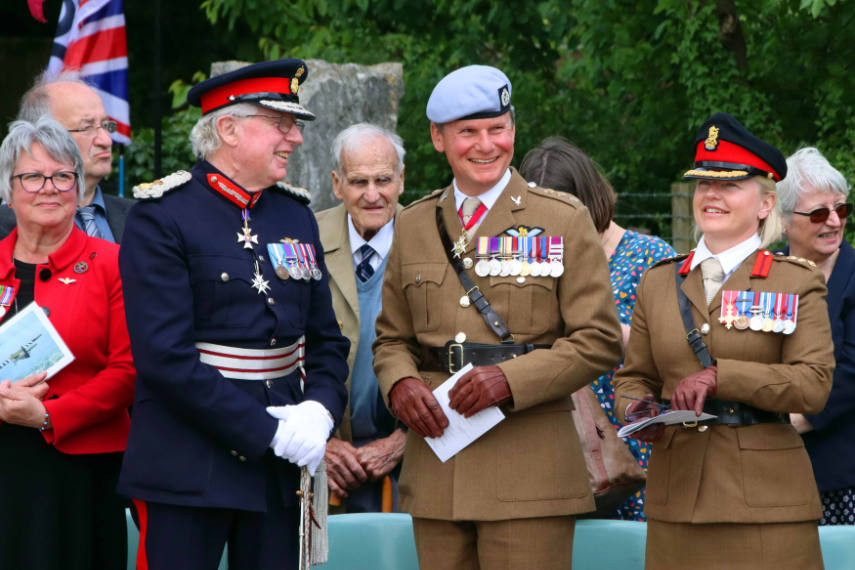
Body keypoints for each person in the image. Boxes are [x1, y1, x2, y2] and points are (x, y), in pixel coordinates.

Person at [373, 65, 623, 569]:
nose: (486, 145)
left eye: (498, 129)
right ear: (438, 138)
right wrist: (399, 383)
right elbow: (391, 339)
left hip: (529, 469)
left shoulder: (562, 217)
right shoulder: (414, 223)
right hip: (439, 466)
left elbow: (598, 339)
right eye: (468, 132)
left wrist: (510, 379)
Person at [116, 59, 349, 570]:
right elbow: (165, 360)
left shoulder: (295, 215)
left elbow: (327, 342)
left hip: (280, 471)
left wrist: (320, 410)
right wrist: (267, 432)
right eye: (281, 124)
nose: (295, 138)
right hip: (188, 465)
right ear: (228, 128)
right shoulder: (162, 216)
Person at [613, 112, 834, 569]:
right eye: (704, 183)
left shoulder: (795, 282)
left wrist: (722, 377)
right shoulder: (659, 281)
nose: (712, 194)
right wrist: (635, 411)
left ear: (765, 204)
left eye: (730, 184)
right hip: (677, 503)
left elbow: (813, 386)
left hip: (767, 505)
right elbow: (633, 378)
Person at [0, 116, 135, 570]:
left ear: (78, 188)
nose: (49, 188)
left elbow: (128, 371)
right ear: (9, 189)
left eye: (62, 176)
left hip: (82, 474)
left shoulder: (114, 263)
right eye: (33, 177)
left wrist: (48, 415)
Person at [519, 136, 676, 520]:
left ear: (588, 201)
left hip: (632, 450)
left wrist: (599, 331)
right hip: (549, 449)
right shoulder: (524, 259)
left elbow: (677, 353)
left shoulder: (651, 258)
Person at [316, 123, 406, 512]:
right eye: (358, 182)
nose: (372, 195)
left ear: (401, 180)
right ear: (337, 184)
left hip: (412, 461)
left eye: (383, 180)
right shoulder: (303, 239)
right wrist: (318, 443)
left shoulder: (434, 242)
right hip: (318, 462)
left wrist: (404, 441)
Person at [777, 147, 855, 525]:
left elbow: (851, 374)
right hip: (770, 470)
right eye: (819, 213)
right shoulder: (762, 275)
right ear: (783, 220)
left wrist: (788, 421)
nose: (834, 221)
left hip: (841, 474)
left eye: (841, 209)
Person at [0, 76, 135, 242]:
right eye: (87, 127)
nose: (106, 141)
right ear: (41, 135)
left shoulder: (138, 217)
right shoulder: (5, 227)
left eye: (106, 126)